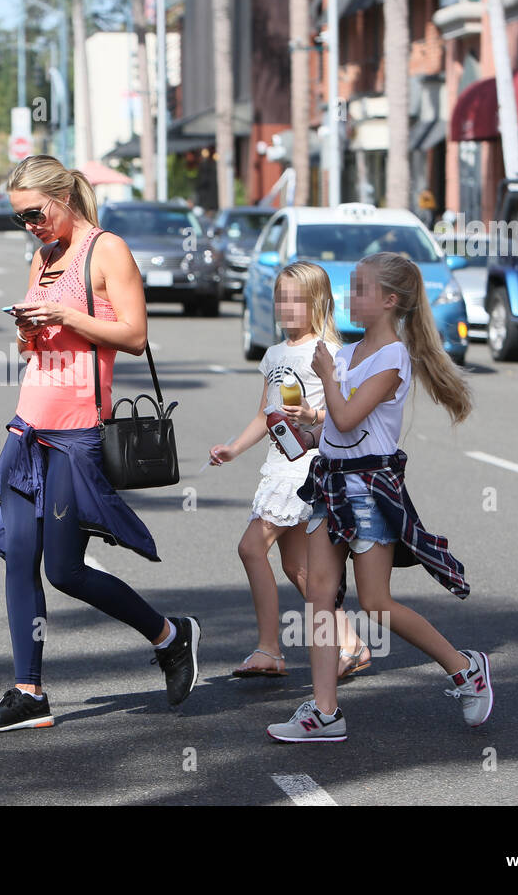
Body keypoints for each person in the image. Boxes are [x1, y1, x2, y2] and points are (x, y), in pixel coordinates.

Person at [0, 154, 201, 733]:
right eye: (20, 218)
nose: (31, 225)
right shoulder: (43, 255)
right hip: (30, 425)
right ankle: (29, 692)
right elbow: (34, 349)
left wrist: (67, 316)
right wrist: (29, 328)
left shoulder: (107, 250)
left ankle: (170, 636)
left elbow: (134, 335)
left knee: (66, 571)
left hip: (77, 432)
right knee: (19, 558)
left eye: (35, 213)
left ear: (62, 197)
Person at [265, 251, 490, 742]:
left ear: (389, 301)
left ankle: (465, 668)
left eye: (361, 289)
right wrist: (305, 427)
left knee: (376, 603)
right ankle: (325, 712)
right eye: (351, 286)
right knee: (319, 595)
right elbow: (336, 426)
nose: (350, 297)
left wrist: (326, 381)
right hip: (330, 482)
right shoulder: (347, 354)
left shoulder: (392, 358)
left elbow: (349, 417)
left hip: (370, 488)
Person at [207, 262, 370, 680]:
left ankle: (269, 649)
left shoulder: (329, 352)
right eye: (281, 298)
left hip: (307, 470)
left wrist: (313, 415)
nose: (286, 306)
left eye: (296, 299)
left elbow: (345, 415)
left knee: (250, 548)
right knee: (298, 569)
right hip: (278, 467)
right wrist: (233, 449)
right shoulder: (274, 354)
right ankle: (351, 644)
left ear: (317, 303)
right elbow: (265, 415)